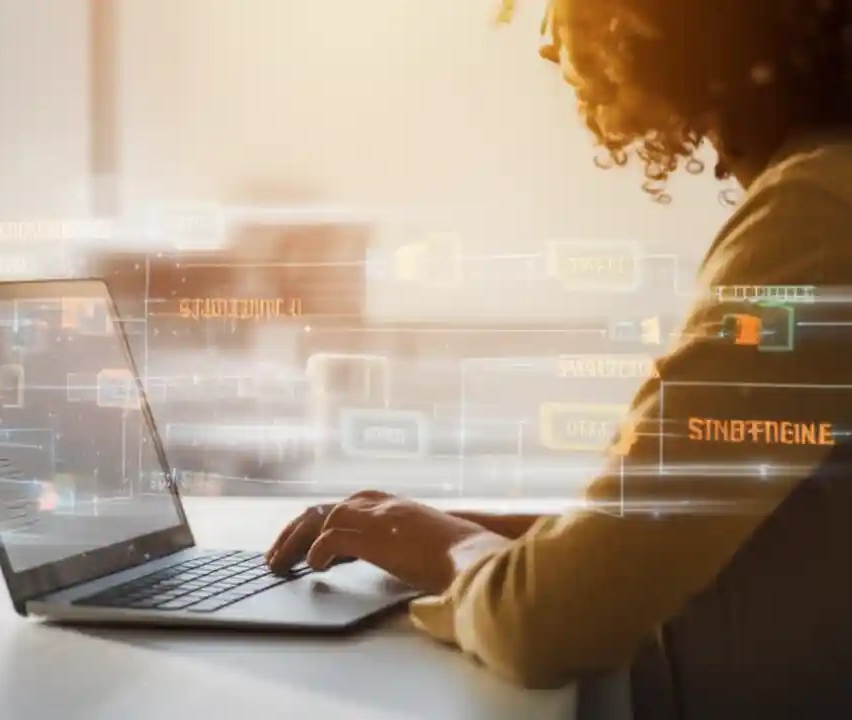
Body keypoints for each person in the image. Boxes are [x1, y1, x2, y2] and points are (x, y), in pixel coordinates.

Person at [266, 1, 852, 715]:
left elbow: (547, 625)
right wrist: (446, 533)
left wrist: (451, 552)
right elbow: (730, 537)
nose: (547, 43)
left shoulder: (819, 213)